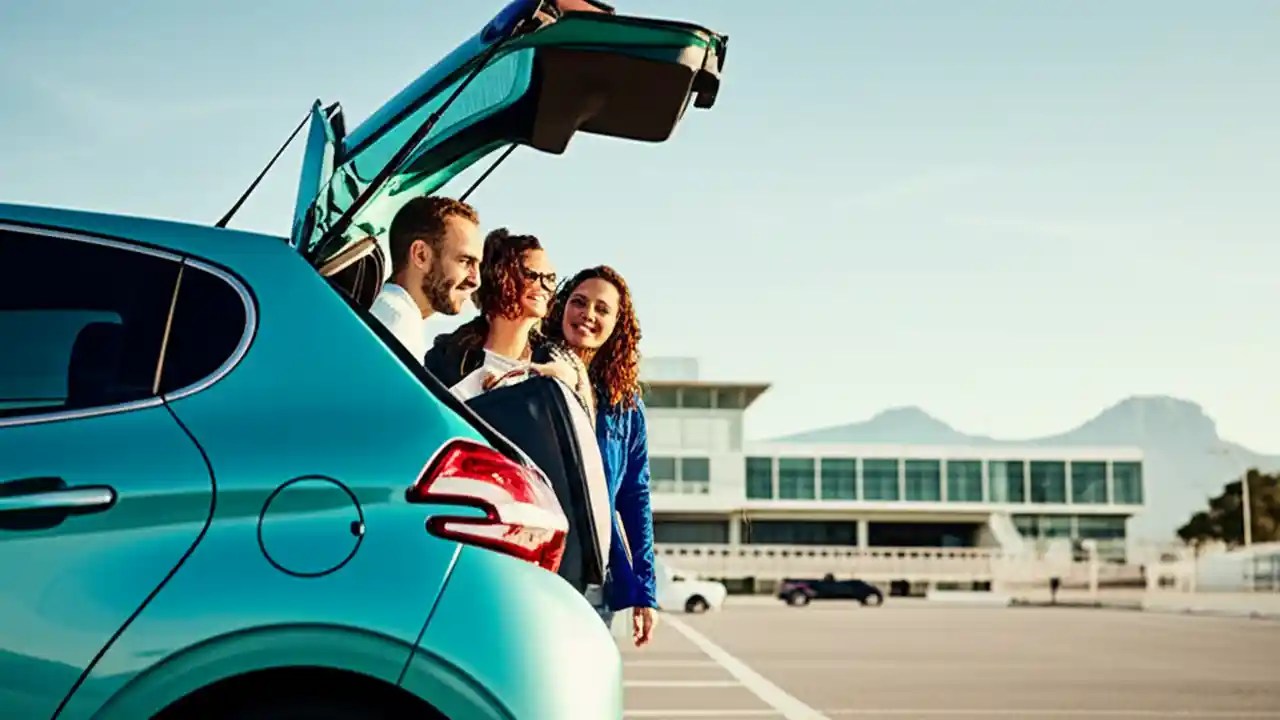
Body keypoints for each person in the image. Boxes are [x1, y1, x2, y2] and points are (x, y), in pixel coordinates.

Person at [545, 265, 658, 648]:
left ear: (617, 324)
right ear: (562, 306)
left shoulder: (625, 404)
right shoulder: (534, 372)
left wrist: (644, 590)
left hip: (595, 575)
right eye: (579, 302)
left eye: (602, 308)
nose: (587, 315)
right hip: (537, 568)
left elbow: (635, 497)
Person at [423, 229, 588, 405]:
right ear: (501, 277)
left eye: (550, 278)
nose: (543, 287)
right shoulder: (449, 355)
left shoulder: (559, 360)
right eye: (531, 275)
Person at [369, 196, 482, 361]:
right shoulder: (396, 327)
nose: (476, 280)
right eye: (465, 261)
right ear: (420, 255)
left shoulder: (388, 316)